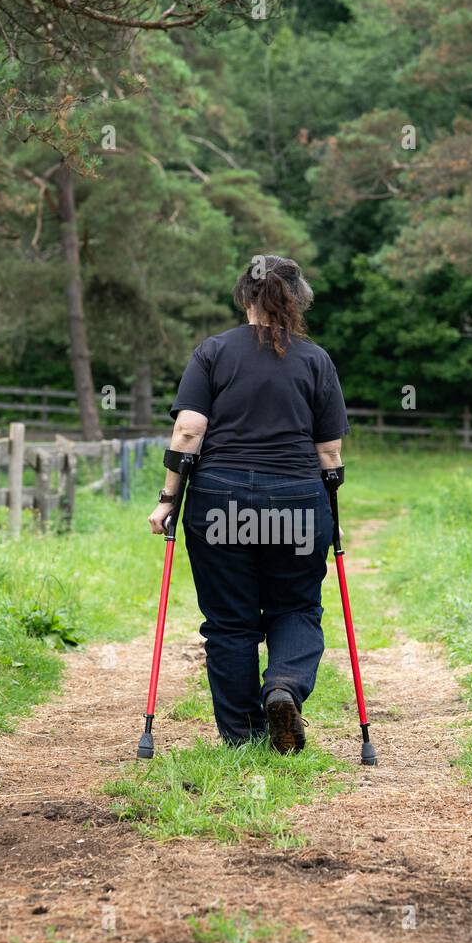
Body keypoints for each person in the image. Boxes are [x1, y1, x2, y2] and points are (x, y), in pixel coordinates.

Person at [147, 255, 349, 753]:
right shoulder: (315, 359)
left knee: (230, 622)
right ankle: (283, 686)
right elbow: (329, 453)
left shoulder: (212, 352)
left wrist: (168, 498)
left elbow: (189, 430)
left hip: (221, 501)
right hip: (296, 501)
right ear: (297, 300)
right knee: (297, 606)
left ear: (245, 297)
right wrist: (328, 511)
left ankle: (242, 737)